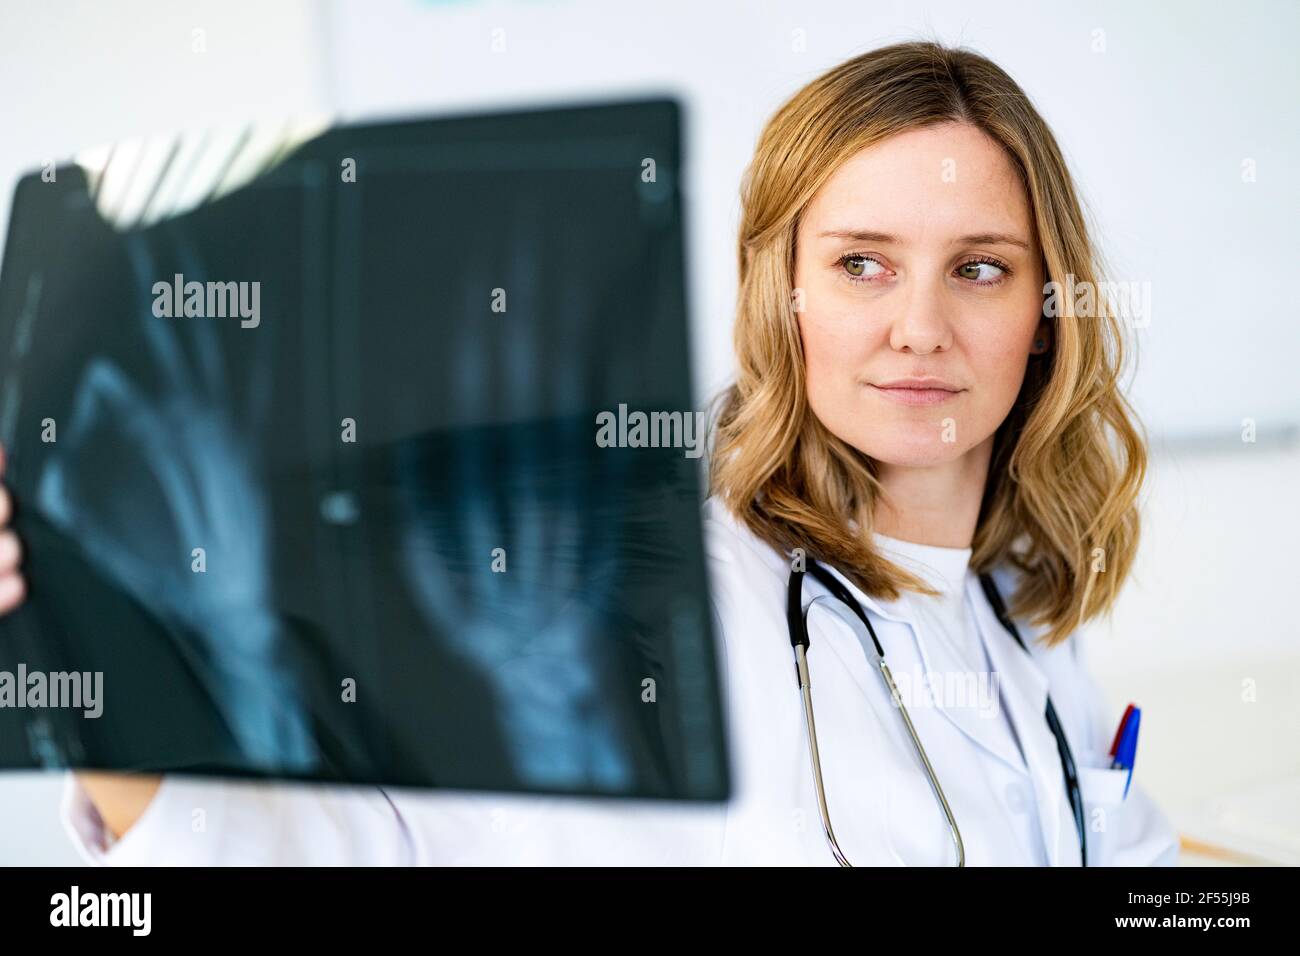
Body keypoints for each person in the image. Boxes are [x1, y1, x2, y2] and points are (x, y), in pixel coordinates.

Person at [0, 40, 1178, 865]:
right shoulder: (647, 587)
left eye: (978, 266)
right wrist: (80, 651)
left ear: (1046, 310)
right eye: (861, 262)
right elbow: (345, 845)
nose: (918, 326)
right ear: (783, 296)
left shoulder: (1021, 604)